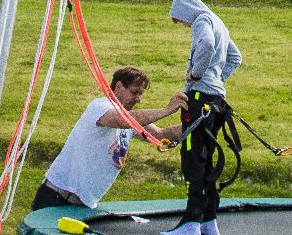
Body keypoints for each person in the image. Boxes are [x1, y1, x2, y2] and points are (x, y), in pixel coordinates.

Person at [31, 67, 184, 213]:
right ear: (119, 86)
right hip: (57, 197)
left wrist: (195, 124)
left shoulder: (128, 118)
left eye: (141, 94)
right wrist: (167, 110)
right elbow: (124, 121)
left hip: (83, 203)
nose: (138, 99)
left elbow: (162, 134)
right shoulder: (100, 107)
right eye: (134, 92)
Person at [164, 0, 242, 235]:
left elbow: (207, 45)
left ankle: (191, 222)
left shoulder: (201, 21)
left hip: (199, 100)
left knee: (193, 160)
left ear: (185, 11)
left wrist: (197, 75)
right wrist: (217, 79)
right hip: (217, 101)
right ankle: (209, 220)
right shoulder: (219, 22)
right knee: (207, 159)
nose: (184, 25)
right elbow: (235, 57)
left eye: (181, 20)